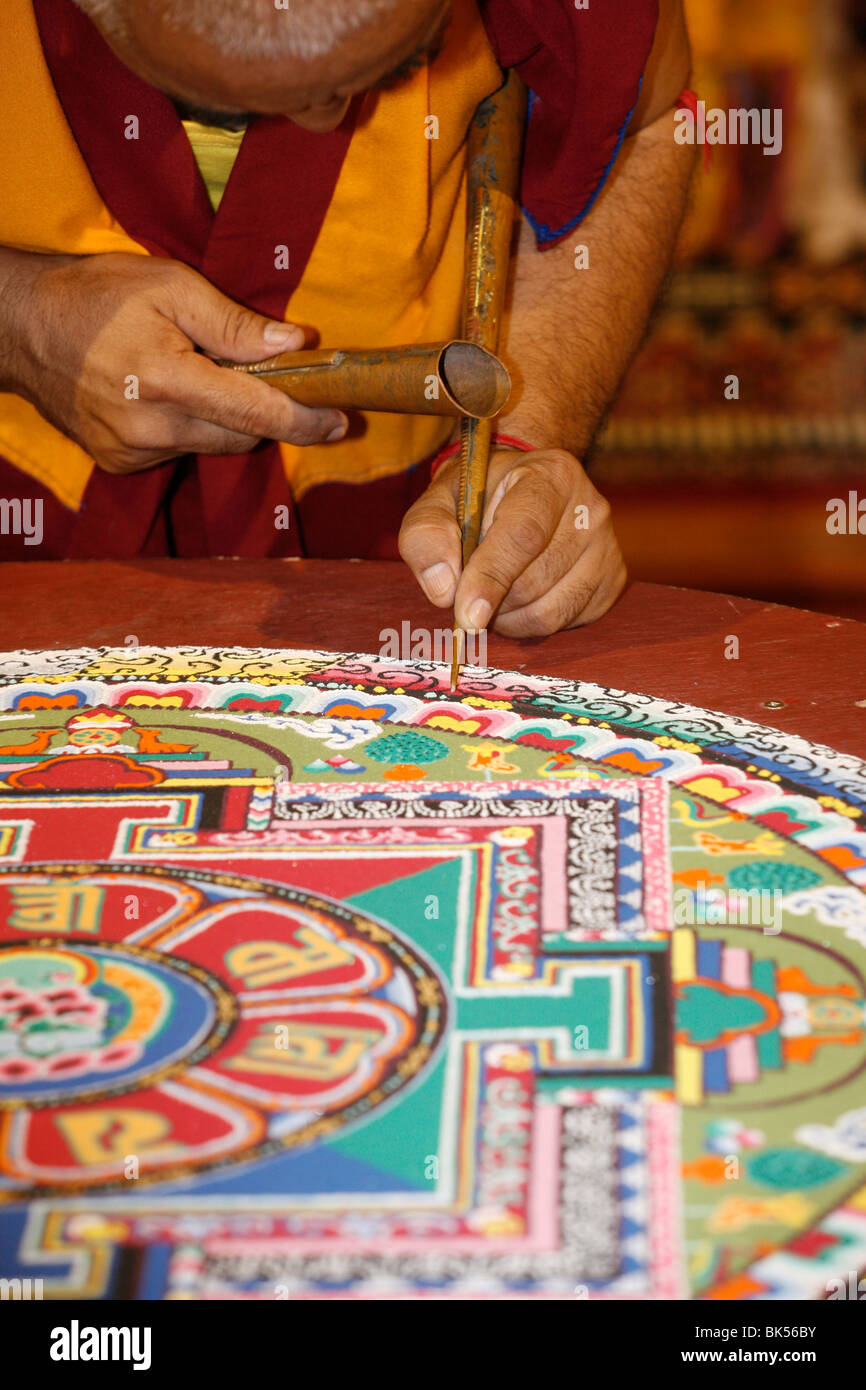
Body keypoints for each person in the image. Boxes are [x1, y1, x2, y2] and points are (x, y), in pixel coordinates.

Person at [0, 0, 694, 637]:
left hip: (391, 528)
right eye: (226, 105)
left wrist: (523, 441)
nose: (325, 124)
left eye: (401, 63)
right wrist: (19, 316)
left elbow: (637, 120)